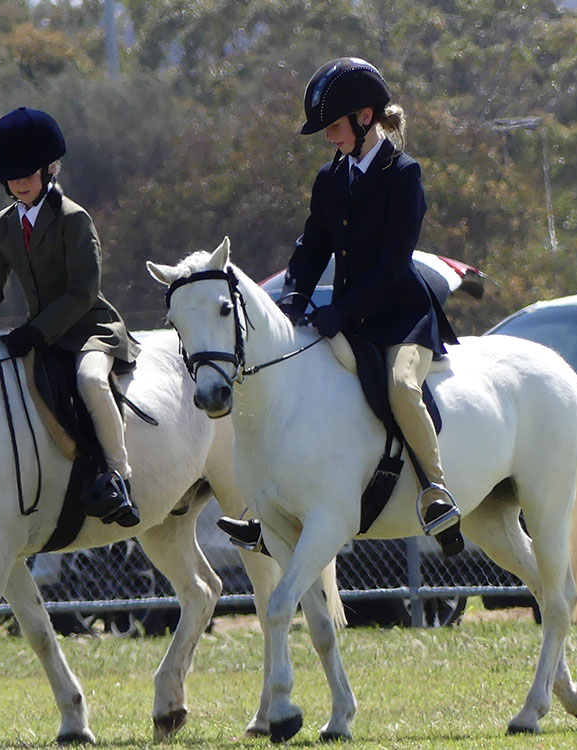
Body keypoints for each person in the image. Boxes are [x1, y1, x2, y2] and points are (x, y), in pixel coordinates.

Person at [219, 58, 464, 556]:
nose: (331, 138)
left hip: (401, 317)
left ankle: (436, 490)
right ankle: (275, 513)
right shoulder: (331, 178)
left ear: (365, 116)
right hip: (349, 313)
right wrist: (293, 294)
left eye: (334, 127)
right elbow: (313, 247)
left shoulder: (404, 174)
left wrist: (344, 310)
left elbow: (395, 263)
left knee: (399, 389)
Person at [0, 106, 140, 527]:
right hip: (43, 334)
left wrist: (34, 332)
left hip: (90, 330)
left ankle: (120, 475)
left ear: (50, 169)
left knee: (90, 381)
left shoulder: (72, 219)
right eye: (11, 175)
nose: (19, 182)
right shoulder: (5, 224)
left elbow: (83, 292)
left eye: (27, 172)